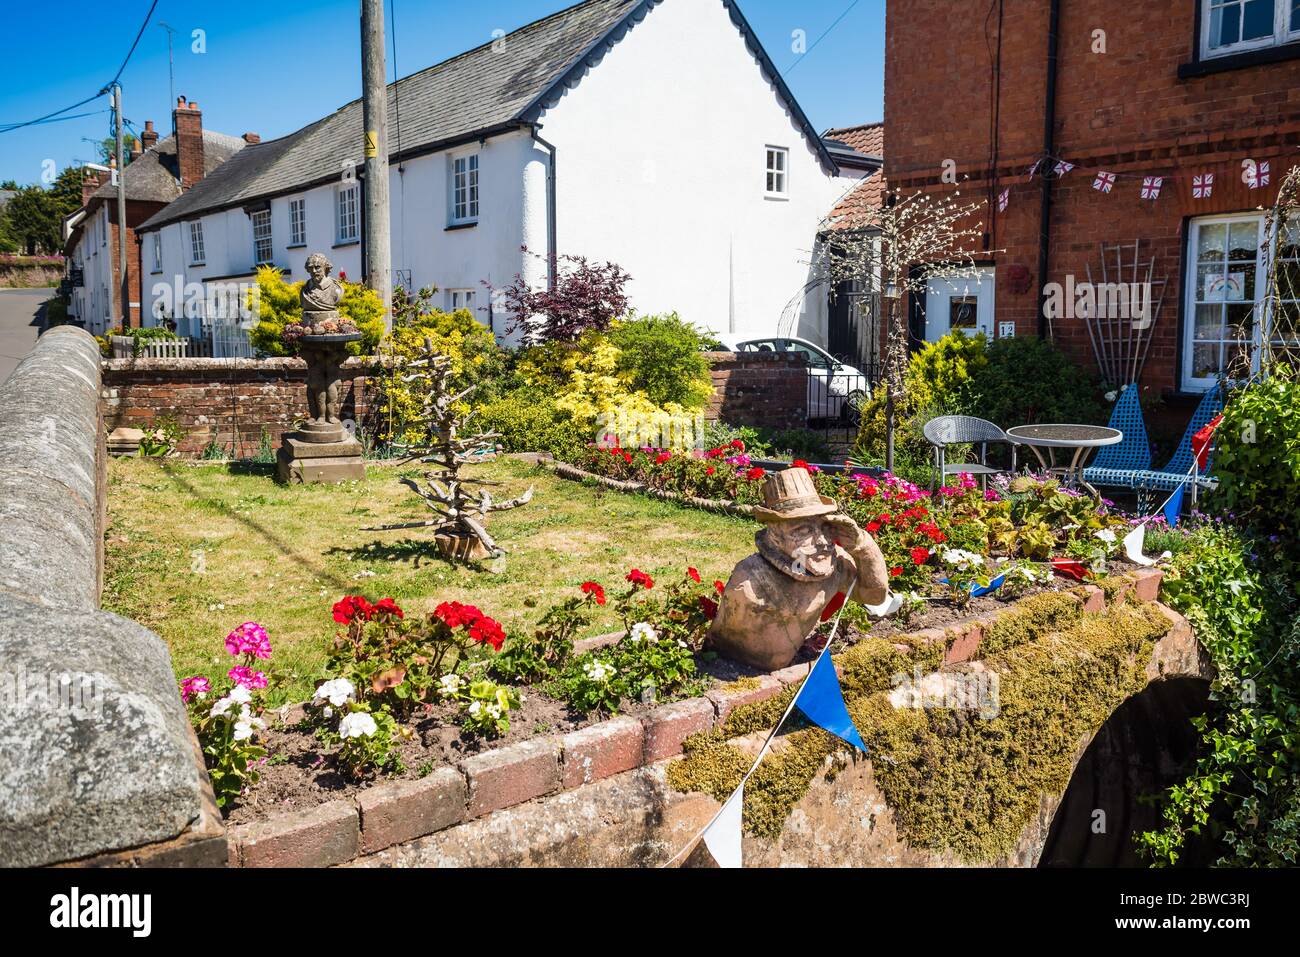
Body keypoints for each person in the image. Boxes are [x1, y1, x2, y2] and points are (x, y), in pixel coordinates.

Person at [709, 468, 888, 671]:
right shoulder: (751, 580)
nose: (821, 540)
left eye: (825, 527)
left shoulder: (834, 566)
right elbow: (725, 641)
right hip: (742, 671)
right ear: (775, 536)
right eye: (803, 530)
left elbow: (874, 596)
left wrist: (864, 547)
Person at [300, 253, 343, 327]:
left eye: (317, 267)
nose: (313, 271)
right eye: (310, 268)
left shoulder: (336, 289)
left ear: (325, 268)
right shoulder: (304, 291)